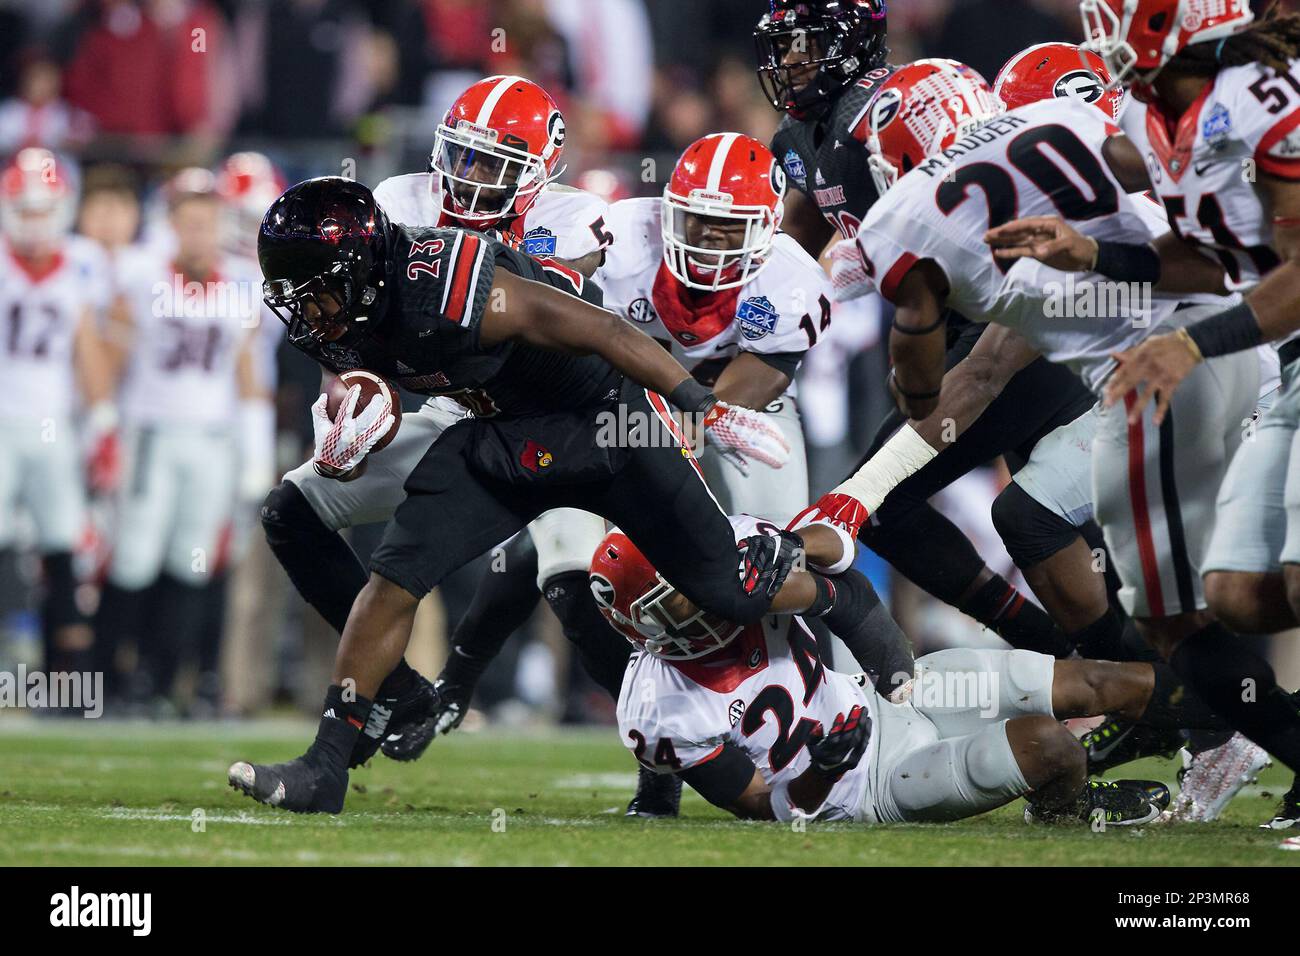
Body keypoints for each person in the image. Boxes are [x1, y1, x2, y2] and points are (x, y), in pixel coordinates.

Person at [228, 176, 805, 813]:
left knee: (729, 587)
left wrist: (701, 405)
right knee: (395, 576)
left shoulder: (449, 284)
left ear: (362, 270)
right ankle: (327, 765)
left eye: (320, 295)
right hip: (498, 436)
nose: (309, 313)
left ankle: (840, 599)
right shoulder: (341, 309)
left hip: (603, 429)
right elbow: (354, 388)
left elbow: (606, 332)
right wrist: (345, 430)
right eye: (297, 298)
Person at [984, 1, 1300, 829]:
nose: (1104, 27)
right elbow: (1214, 256)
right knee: (1232, 595)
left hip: (1265, 354)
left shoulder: (1262, 99)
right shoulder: (1165, 113)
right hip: (1275, 357)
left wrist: (1192, 348)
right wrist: (1089, 253)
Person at [755, 0, 1091, 658]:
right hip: (968, 336)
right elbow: (794, 253)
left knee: (902, 503)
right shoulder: (806, 139)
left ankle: (1124, 675)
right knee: (1041, 525)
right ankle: (1100, 668)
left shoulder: (899, 113)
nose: (791, 58)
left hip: (1024, 331)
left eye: (807, 42)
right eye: (784, 44)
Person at [598, 514, 1169, 826]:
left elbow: (842, 574)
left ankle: (1240, 725)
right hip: (865, 787)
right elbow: (759, 809)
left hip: (884, 695)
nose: (702, 599)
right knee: (1053, 748)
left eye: (696, 581)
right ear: (637, 624)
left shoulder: (741, 555)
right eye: (678, 601)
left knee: (1104, 681)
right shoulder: (658, 710)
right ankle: (1062, 811)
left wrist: (799, 559)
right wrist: (822, 771)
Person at [96, 167, 266, 713]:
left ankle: (167, 681)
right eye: (188, 222)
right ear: (169, 225)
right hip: (152, 431)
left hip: (212, 437)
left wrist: (255, 449)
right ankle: (109, 681)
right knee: (134, 557)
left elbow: (246, 371)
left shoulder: (241, 285)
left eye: (207, 222)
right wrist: (101, 425)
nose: (198, 233)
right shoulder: (141, 275)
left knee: (192, 558)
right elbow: (113, 357)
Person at [0, 148, 113, 682]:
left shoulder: (83, 262)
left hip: (53, 423)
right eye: (24, 209)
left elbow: (86, 344)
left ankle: (64, 678)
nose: (35, 221)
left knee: (63, 542)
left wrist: (103, 420)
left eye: (44, 210)